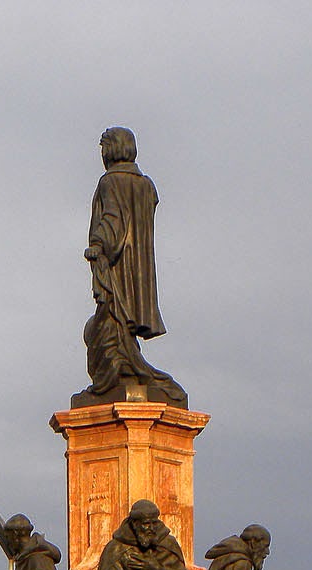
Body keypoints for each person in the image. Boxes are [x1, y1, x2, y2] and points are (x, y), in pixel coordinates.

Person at [82, 127, 187, 404]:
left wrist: (98, 245)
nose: (103, 153)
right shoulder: (145, 185)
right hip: (137, 271)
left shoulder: (110, 182)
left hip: (117, 267)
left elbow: (113, 219)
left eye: (104, 147)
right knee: (116, 324)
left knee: (109, 323)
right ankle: (125, 365)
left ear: (114, 148)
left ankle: (117, 370)